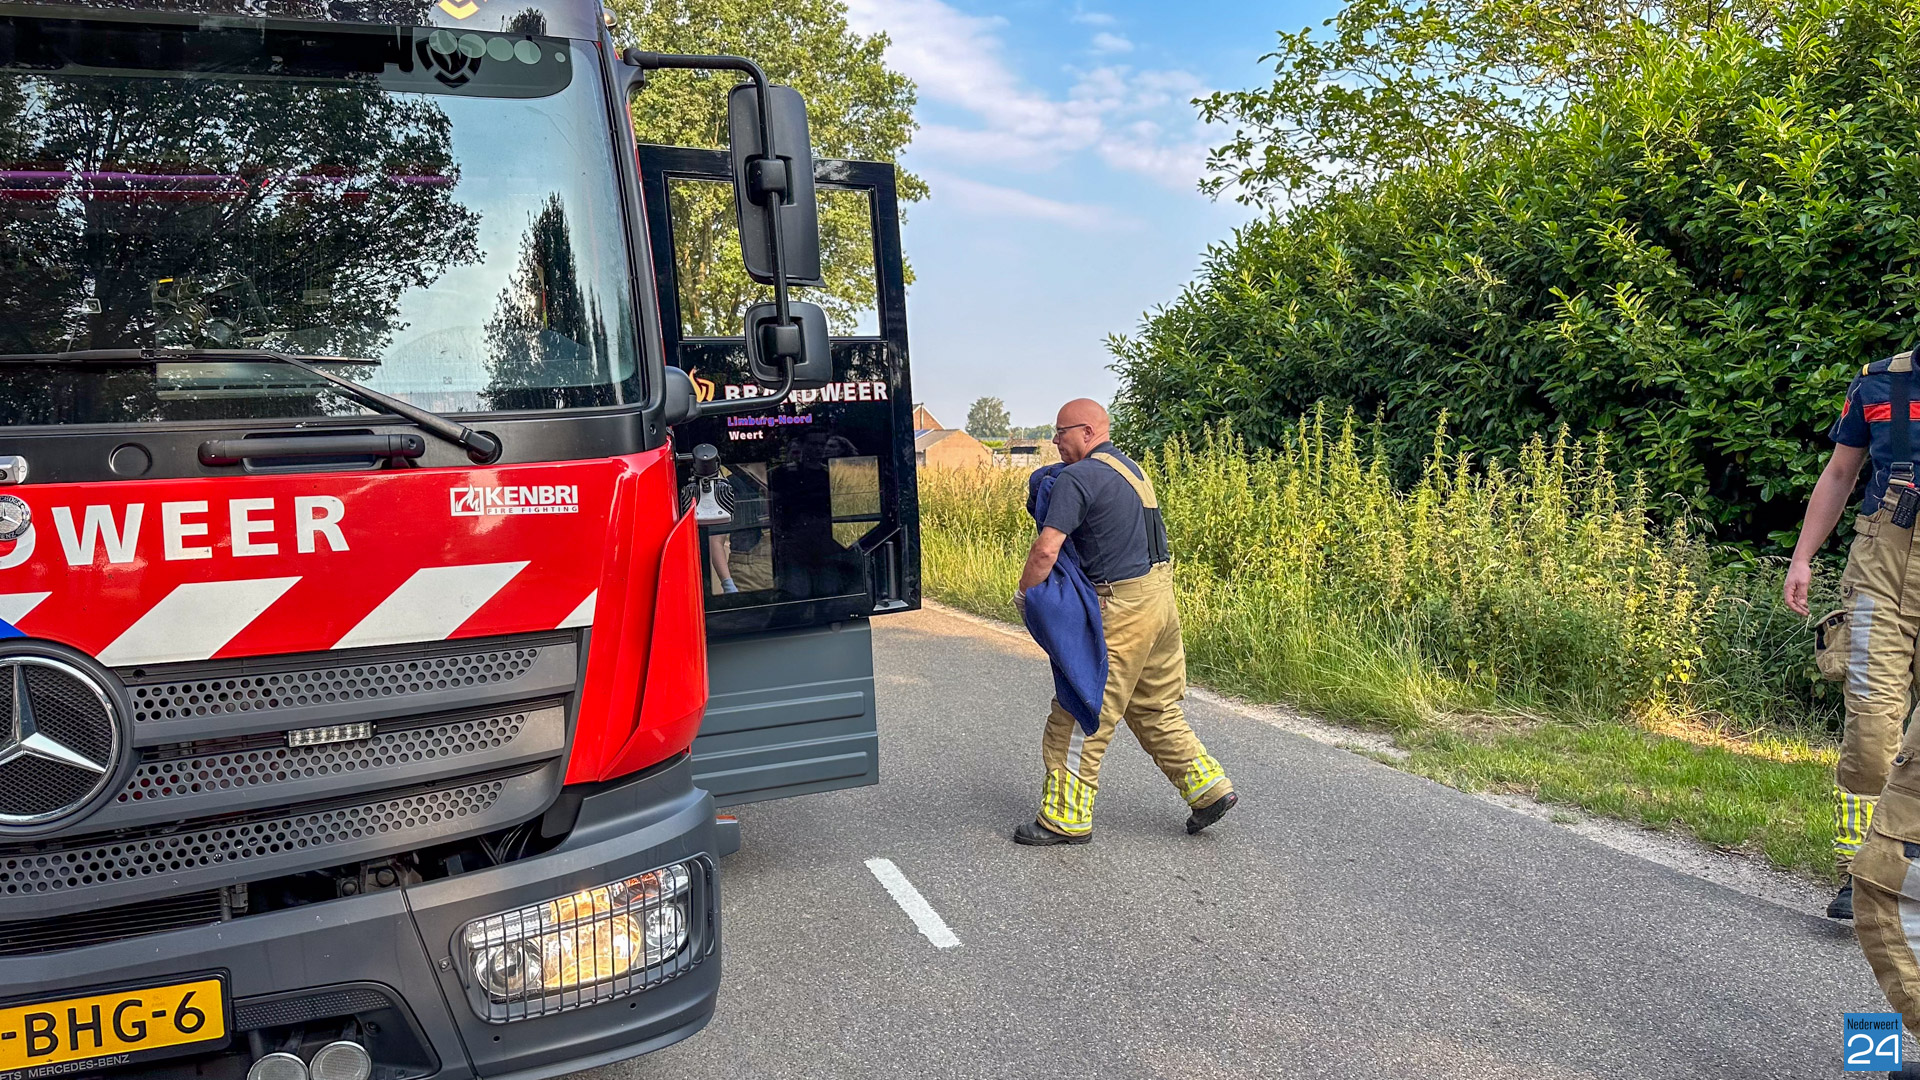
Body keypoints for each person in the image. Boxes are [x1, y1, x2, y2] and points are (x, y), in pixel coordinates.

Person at [1009, 398, 1237, 845]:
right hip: (1159, 603)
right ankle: (1209, 788)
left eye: (1061, 432)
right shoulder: (1131, 470)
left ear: (1087, 431)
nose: (1054, 441)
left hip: (1122, 610)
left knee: (1082, 709)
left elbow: (1046, 549)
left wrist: (1026, 596)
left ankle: (1064, 818)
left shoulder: (1077, 477)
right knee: (1153, 706)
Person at [1786, 348, 1920, 923]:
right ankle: (1863, 874)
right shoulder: (1878, 384)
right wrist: (1802, 558)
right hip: (1879, 569)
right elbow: (1840, 473)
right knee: (1870, 726)